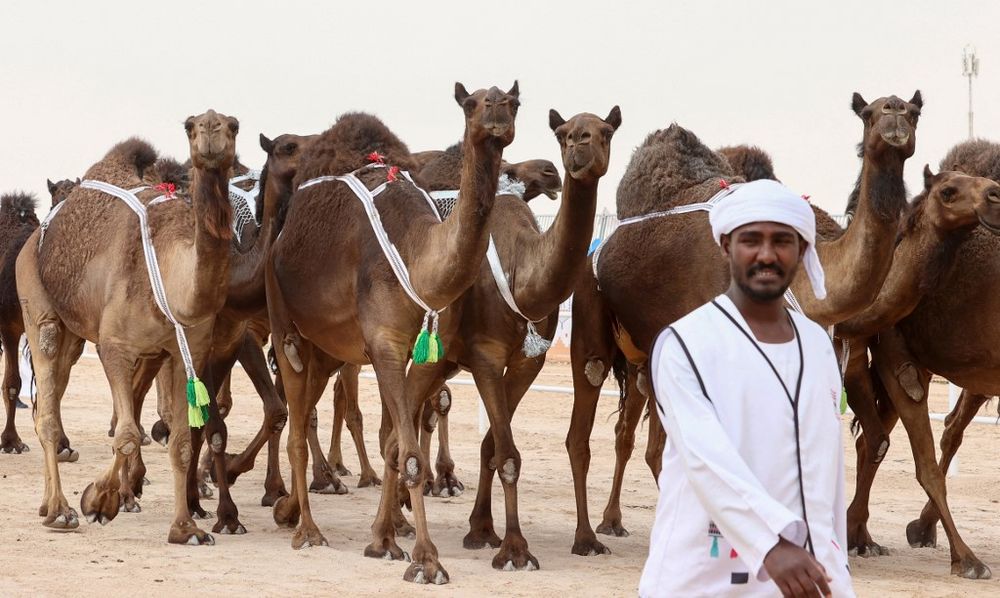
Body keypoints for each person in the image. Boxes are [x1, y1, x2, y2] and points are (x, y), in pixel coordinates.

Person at [639, 180, 854, 597]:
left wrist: (834, 559)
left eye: (782, 241)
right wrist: (770, 544)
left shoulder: (819, 345)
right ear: (726, 246)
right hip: (703, 580)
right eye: (751, 240)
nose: (767, 254)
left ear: (803, 249)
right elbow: (707, 460)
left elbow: (827, 473)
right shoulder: (686, 344)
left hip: (807, 577)